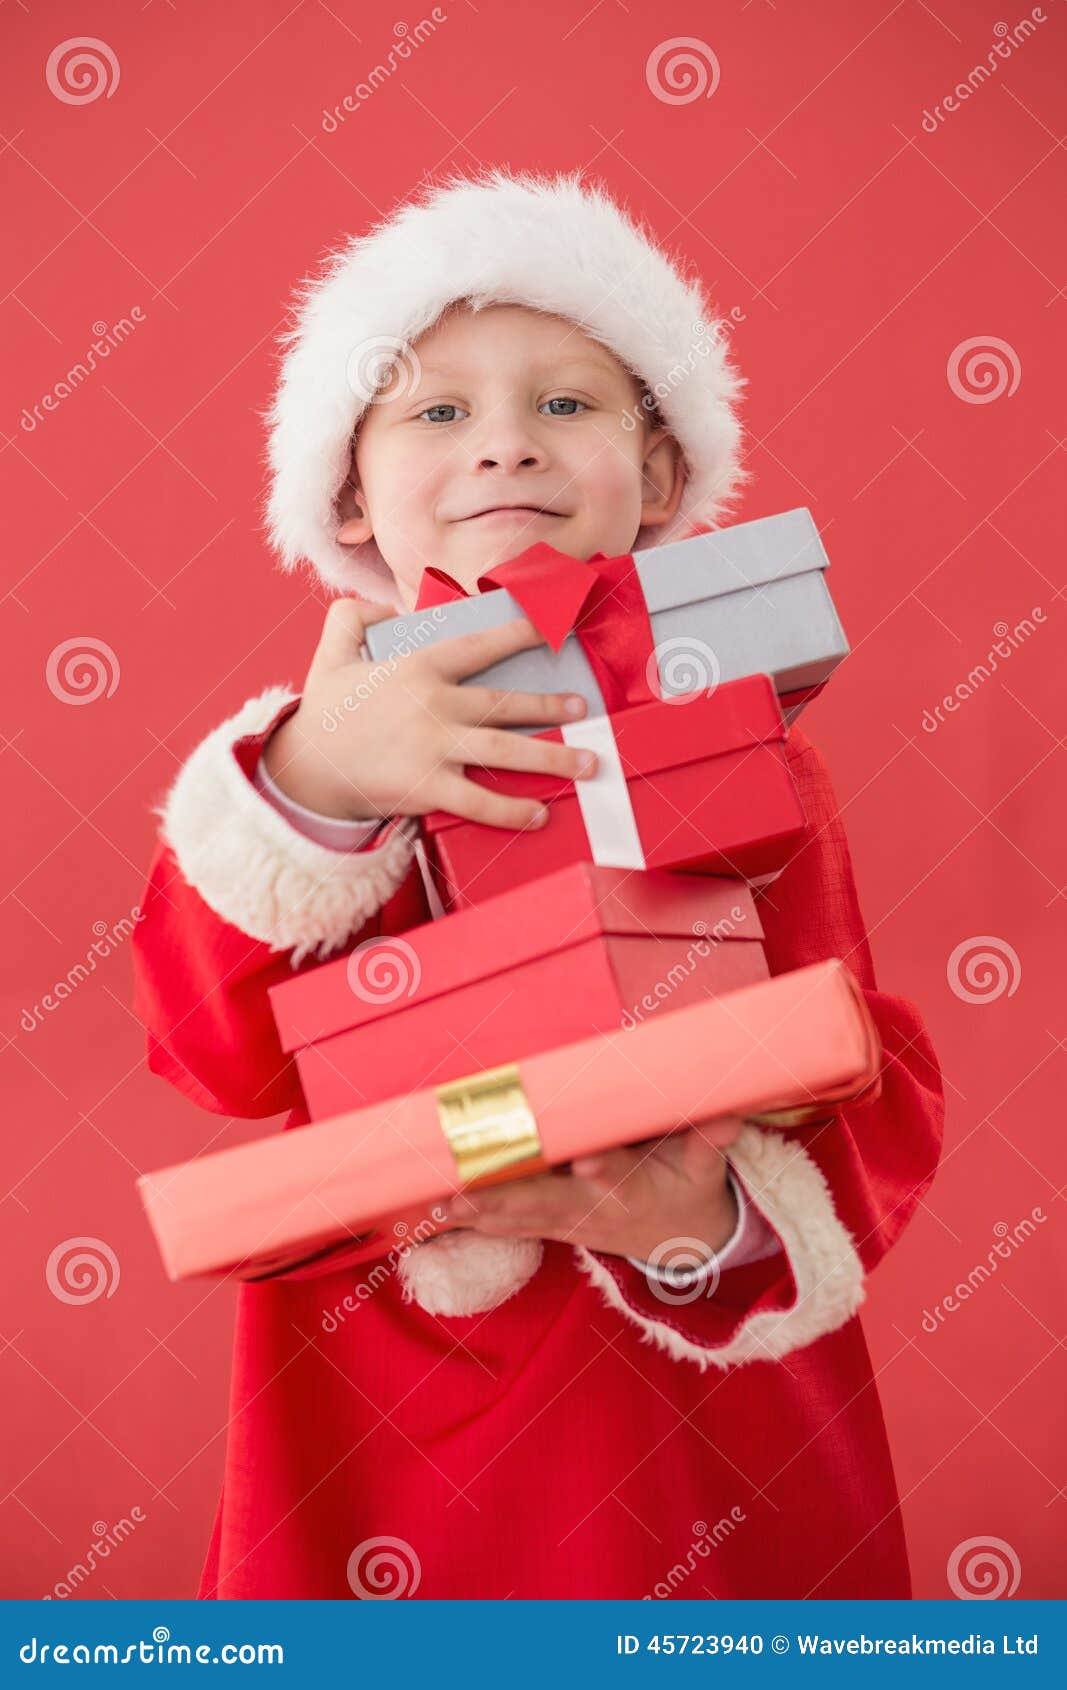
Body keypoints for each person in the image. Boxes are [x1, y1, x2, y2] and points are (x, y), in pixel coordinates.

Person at [130, 168, 944, 1600]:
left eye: (566, 403)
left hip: (681, 1416)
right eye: (437, 411)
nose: (504, 446)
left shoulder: (749, 748)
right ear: (351, 497)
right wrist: (321, 780)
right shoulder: (314, 754)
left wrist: (692, 1226)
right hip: (384, 1395)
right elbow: (213, 1049)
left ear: (665, 474)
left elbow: (854, 1070)